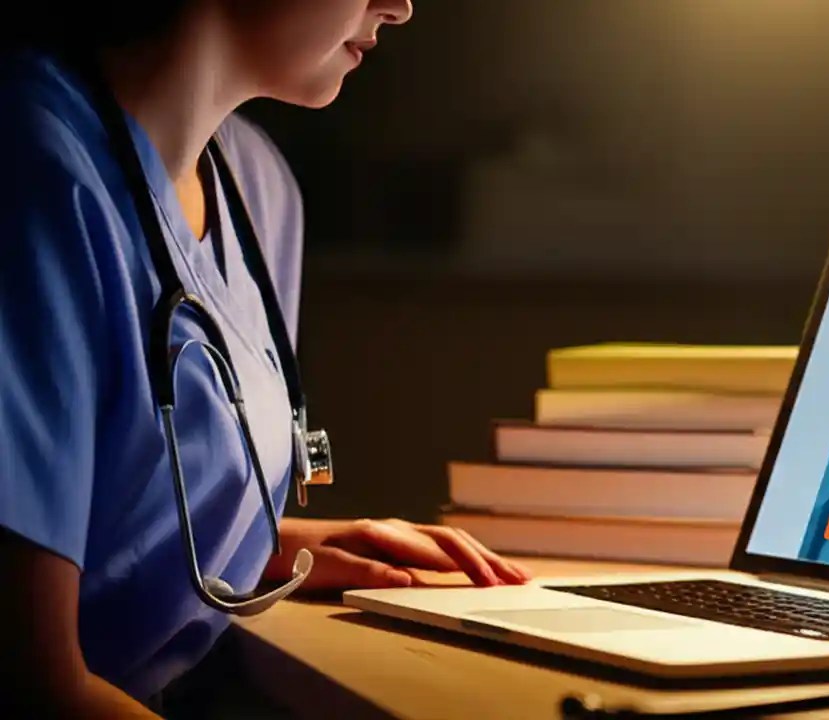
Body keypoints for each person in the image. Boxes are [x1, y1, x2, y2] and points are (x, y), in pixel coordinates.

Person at [0, 1, 531, 716]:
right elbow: (33, 681)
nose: (400, 6)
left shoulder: (259, 188)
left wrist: (271, 545)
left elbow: (107, 510)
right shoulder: (30, 170)